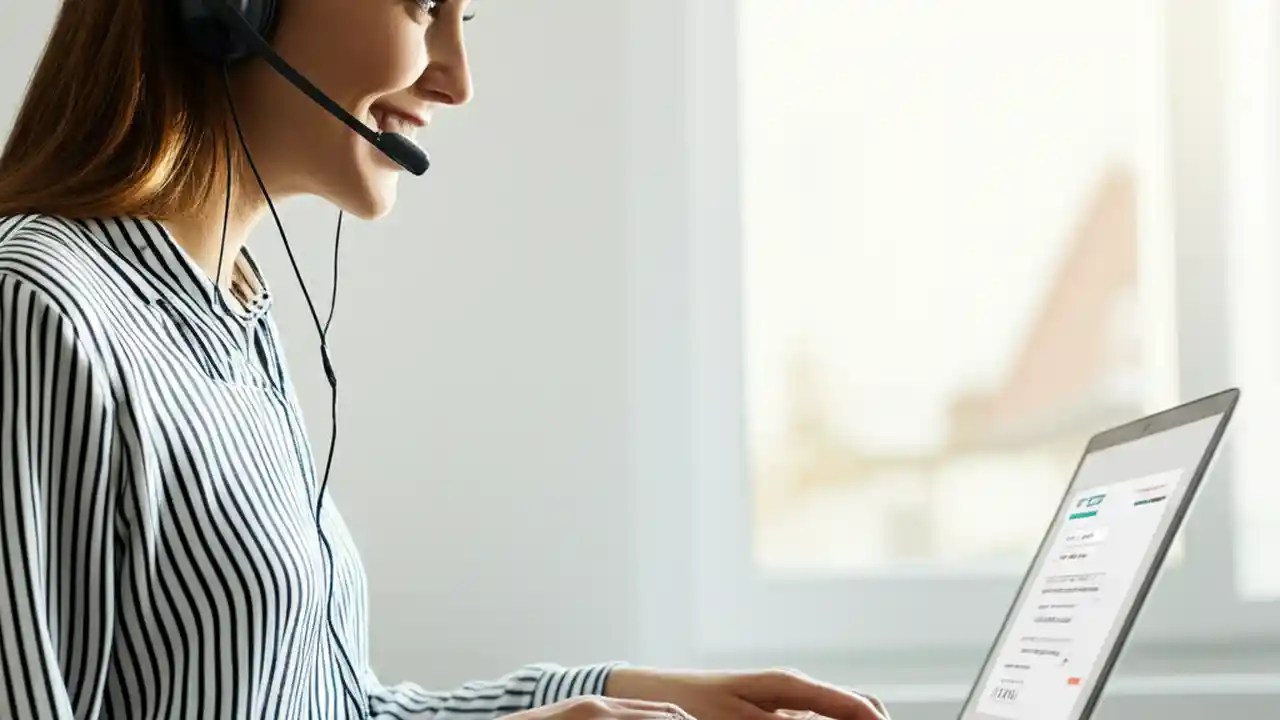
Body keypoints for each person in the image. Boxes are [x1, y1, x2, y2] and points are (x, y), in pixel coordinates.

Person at [0, 1, 889, 718]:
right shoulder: (40, 308)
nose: (457, 79)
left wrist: (624, 693)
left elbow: (337, 706)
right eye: (424, 7)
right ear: (237, 9)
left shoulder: (229, 313)